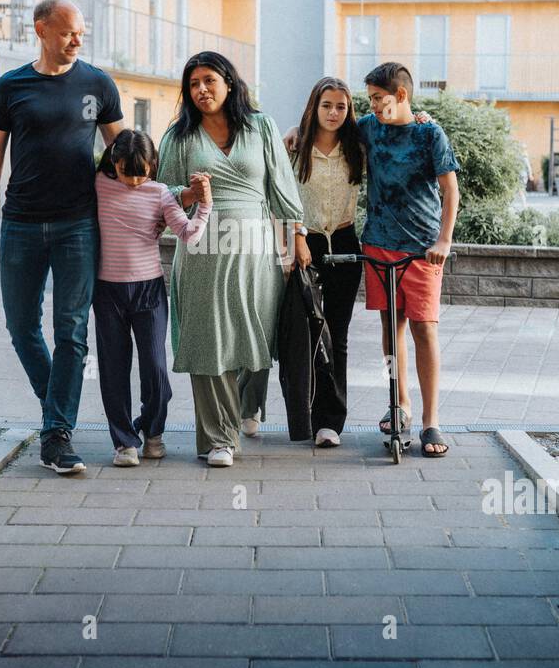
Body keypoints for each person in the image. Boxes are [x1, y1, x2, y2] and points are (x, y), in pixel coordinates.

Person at [0, 0, 126, 475]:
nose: (77, 39)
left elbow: (125, 151)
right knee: (21, 327)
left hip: (79, 223)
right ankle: (55, 405)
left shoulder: (98, 83)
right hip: (19, 223)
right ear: (41, 29)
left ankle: (57, 434)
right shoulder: (11, 86)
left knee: (72, 330)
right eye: (68, 31)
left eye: (81, 32)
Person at [157, 52, 305, 467]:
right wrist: (188, 194)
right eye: (193, 84)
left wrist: (297, 236)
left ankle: (247, 406)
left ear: (229, 82)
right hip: (203, 249)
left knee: (254, 335)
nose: (201, 90)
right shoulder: (179, 137)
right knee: (209, 340)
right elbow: (161, 193)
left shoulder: (261, 127)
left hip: (257, 248)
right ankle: (219, 439)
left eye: (209, 81)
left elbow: (282, 185)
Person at [356, 62, 460, 456]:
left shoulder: (428, 132)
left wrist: (444, 241)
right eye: (370, 100)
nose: (374, 106)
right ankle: (399, 404)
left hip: (422, 248)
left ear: (401, 95)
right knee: (390, 327)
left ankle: (432, 421)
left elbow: (451, 191)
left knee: (424, 330)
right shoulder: (369, 126)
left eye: (379, 98)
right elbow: (329, 130)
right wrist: (296, 132)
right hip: (379, 242)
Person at [93, 130, 213, 467]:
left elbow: (189, 235)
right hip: (107, 291)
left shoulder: (160, 193)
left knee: (156, 368)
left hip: (149, 290)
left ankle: (153, 431)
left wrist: (204, 205)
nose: (132, 180)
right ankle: (124, 443)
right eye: (125, 171)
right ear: (112, 162)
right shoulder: (98, 184)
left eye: (141, 172)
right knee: (113, 369)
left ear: (153, 165)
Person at [289, 77, 364, 448]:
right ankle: (302, 415)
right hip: (308, 243)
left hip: (348, 245)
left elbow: (394, 128)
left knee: (338, 334)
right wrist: (296, 236)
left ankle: (330, 421)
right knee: (307, 336)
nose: (334, 113)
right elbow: (280, 197)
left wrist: (421, 119)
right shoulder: (295, 147)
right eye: (327, 105)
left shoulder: (358, 147)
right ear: (314, 107)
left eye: (341, 106)